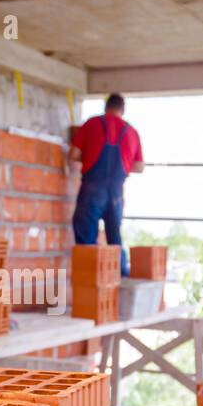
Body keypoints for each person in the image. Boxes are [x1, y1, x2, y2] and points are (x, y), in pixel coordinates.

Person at [69, 93, 144, 276]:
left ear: (106, 106)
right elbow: (139, 167)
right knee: (114, 239)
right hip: (116, 194)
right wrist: (124, 165)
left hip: (92, 189)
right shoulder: (132, 132)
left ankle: (90, 283)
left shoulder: (91, 124)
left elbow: (73, 155)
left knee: (86, 240)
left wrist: (88, 155)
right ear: (123, 109)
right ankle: (119, 284)